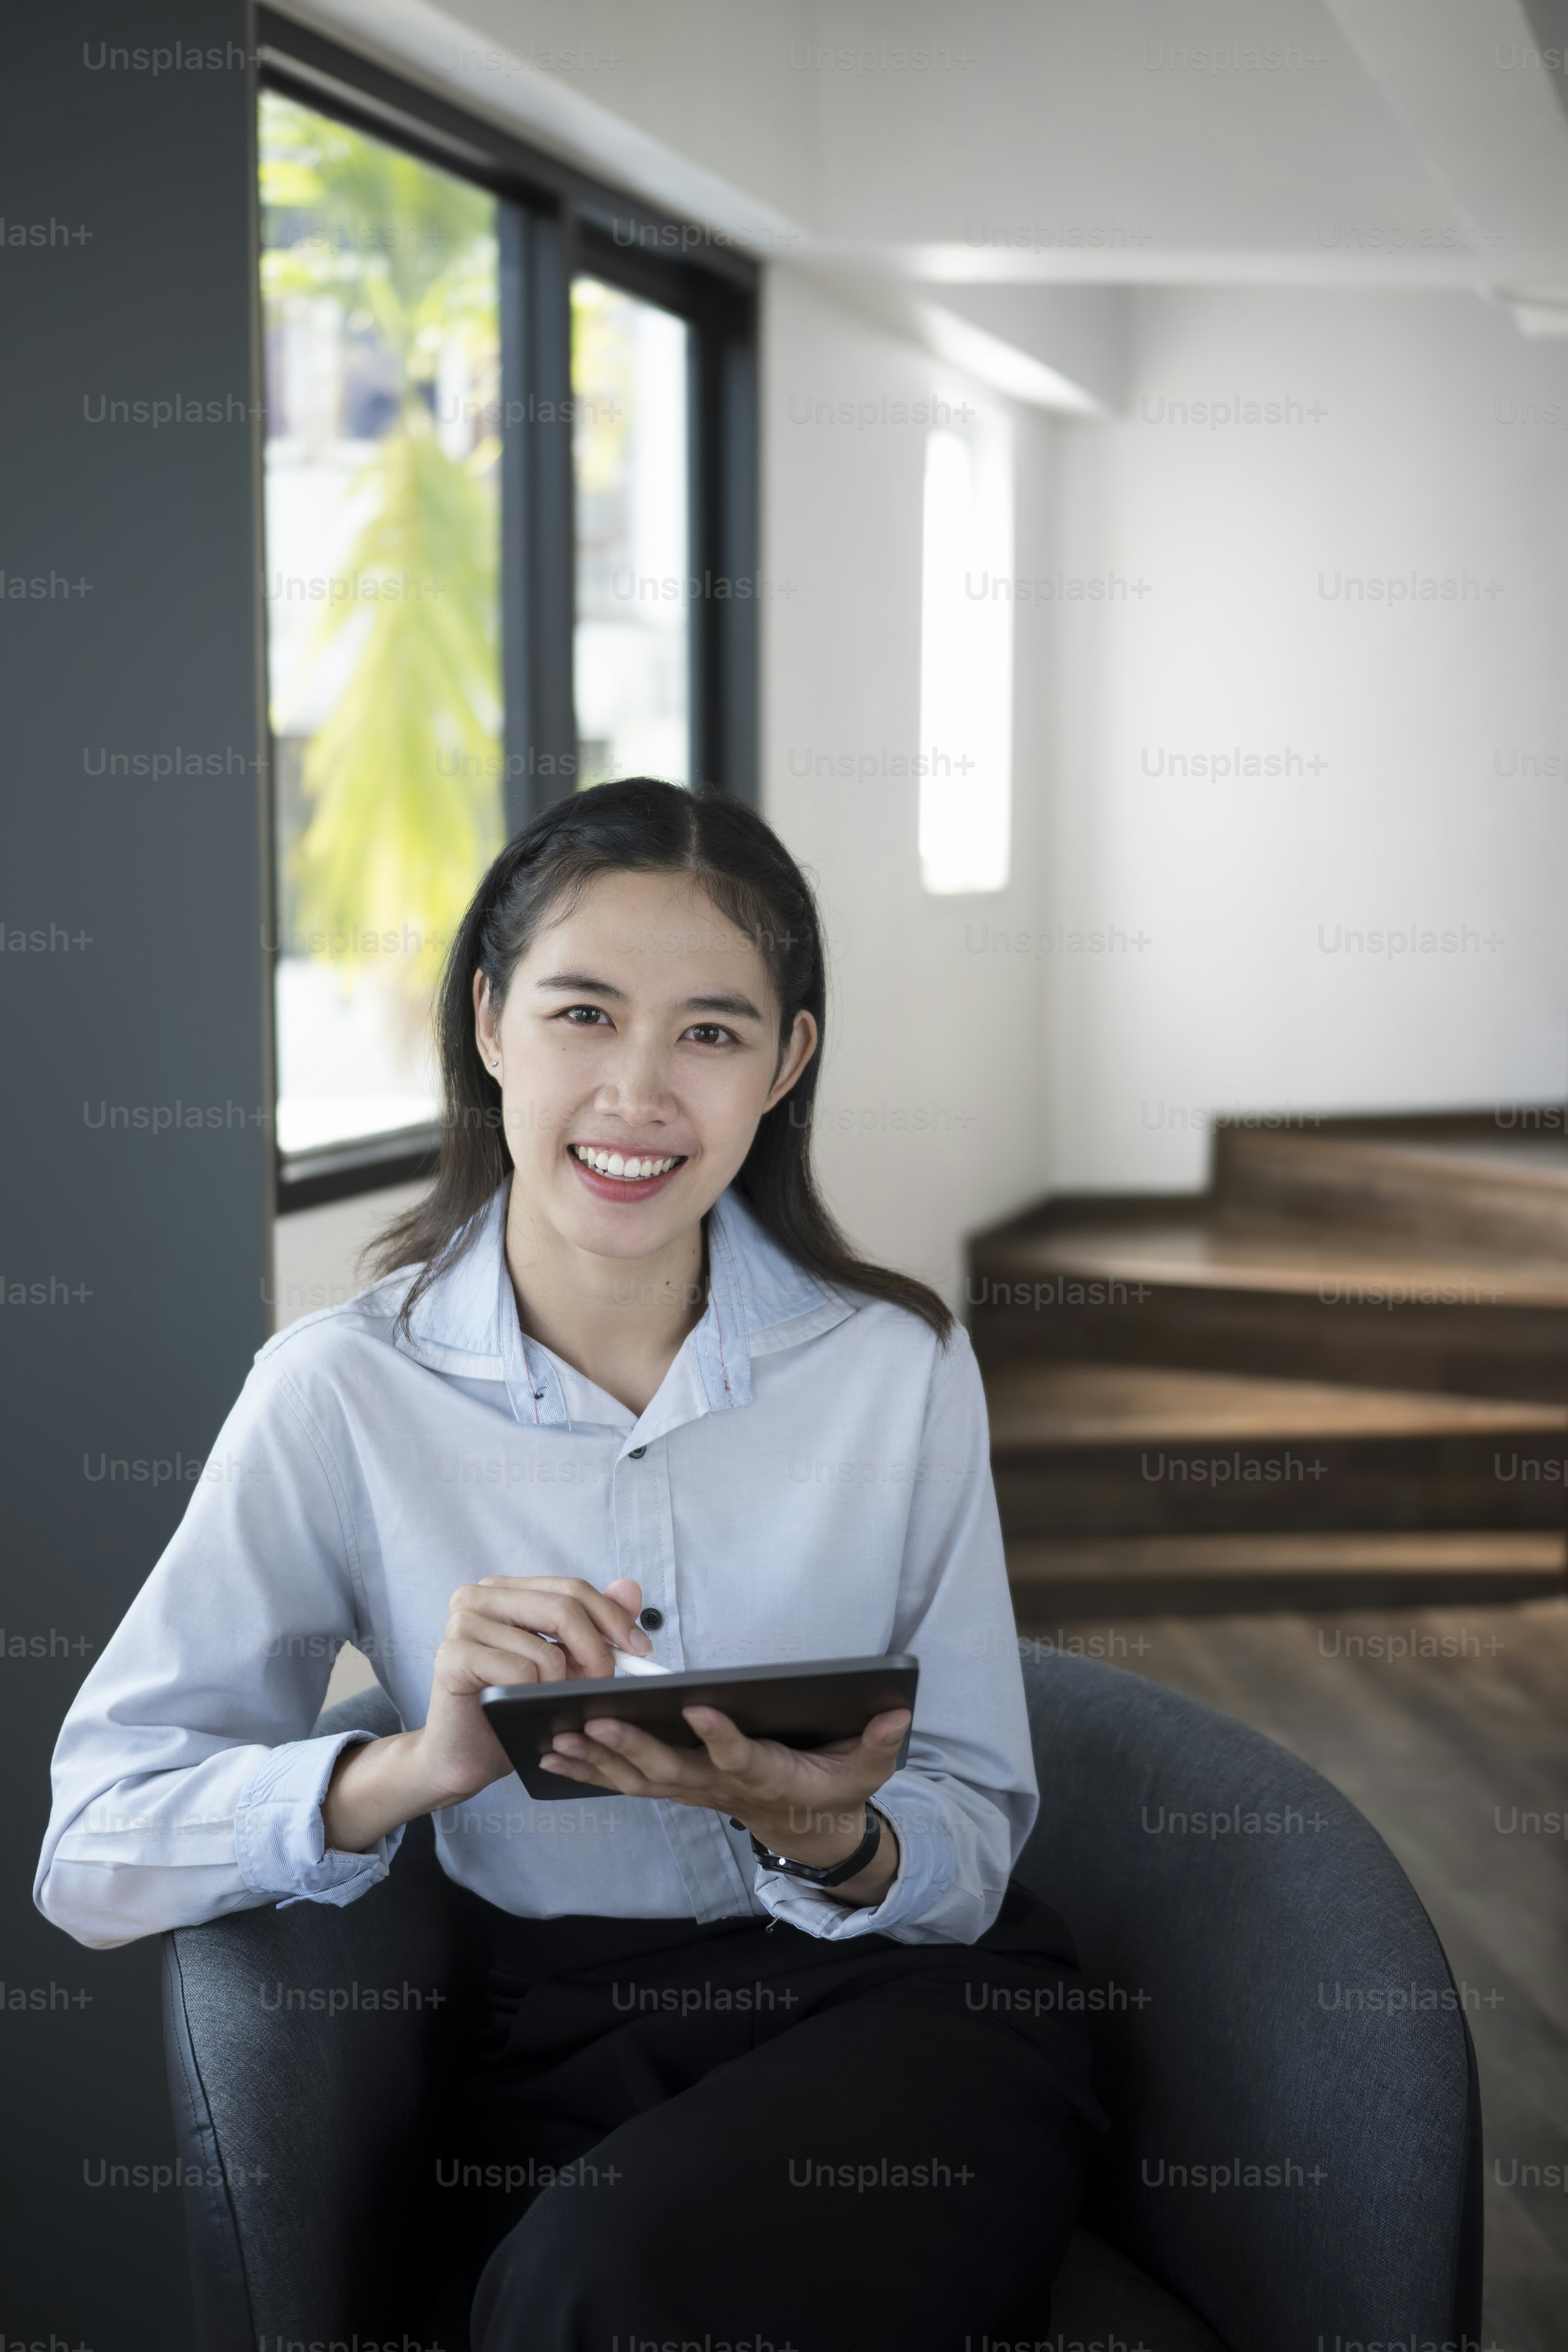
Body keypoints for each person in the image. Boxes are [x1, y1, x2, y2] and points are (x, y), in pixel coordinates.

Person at [36, 778, 1101, 2348]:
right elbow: (93, 1852)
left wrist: (825, 1835)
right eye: (583, 1015)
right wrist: (409, 1769)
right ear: (488, 1022)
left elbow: (971, 1819)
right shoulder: (336, 1394)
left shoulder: (897, 1363)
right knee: (544, 2296)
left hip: (911, 2008)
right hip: (559, 2040)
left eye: (711, 1033)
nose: (637, 1093)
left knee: (602, 2289)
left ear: (786, 1065)